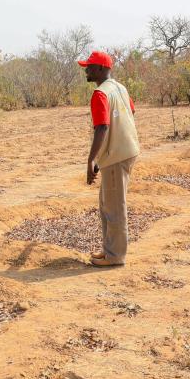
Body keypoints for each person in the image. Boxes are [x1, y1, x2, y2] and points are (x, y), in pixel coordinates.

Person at [80, 50, 140, 267]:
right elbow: (131, 112)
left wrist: (91, 160)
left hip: (116, 155)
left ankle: (115, 256)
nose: (86, 70)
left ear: (101, 69)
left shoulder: (100, 94)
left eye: (89, 66)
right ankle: (109, 250)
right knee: (107, 203)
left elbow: (102, 127)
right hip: (126, 150)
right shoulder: (119, 87)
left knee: (114, 206)